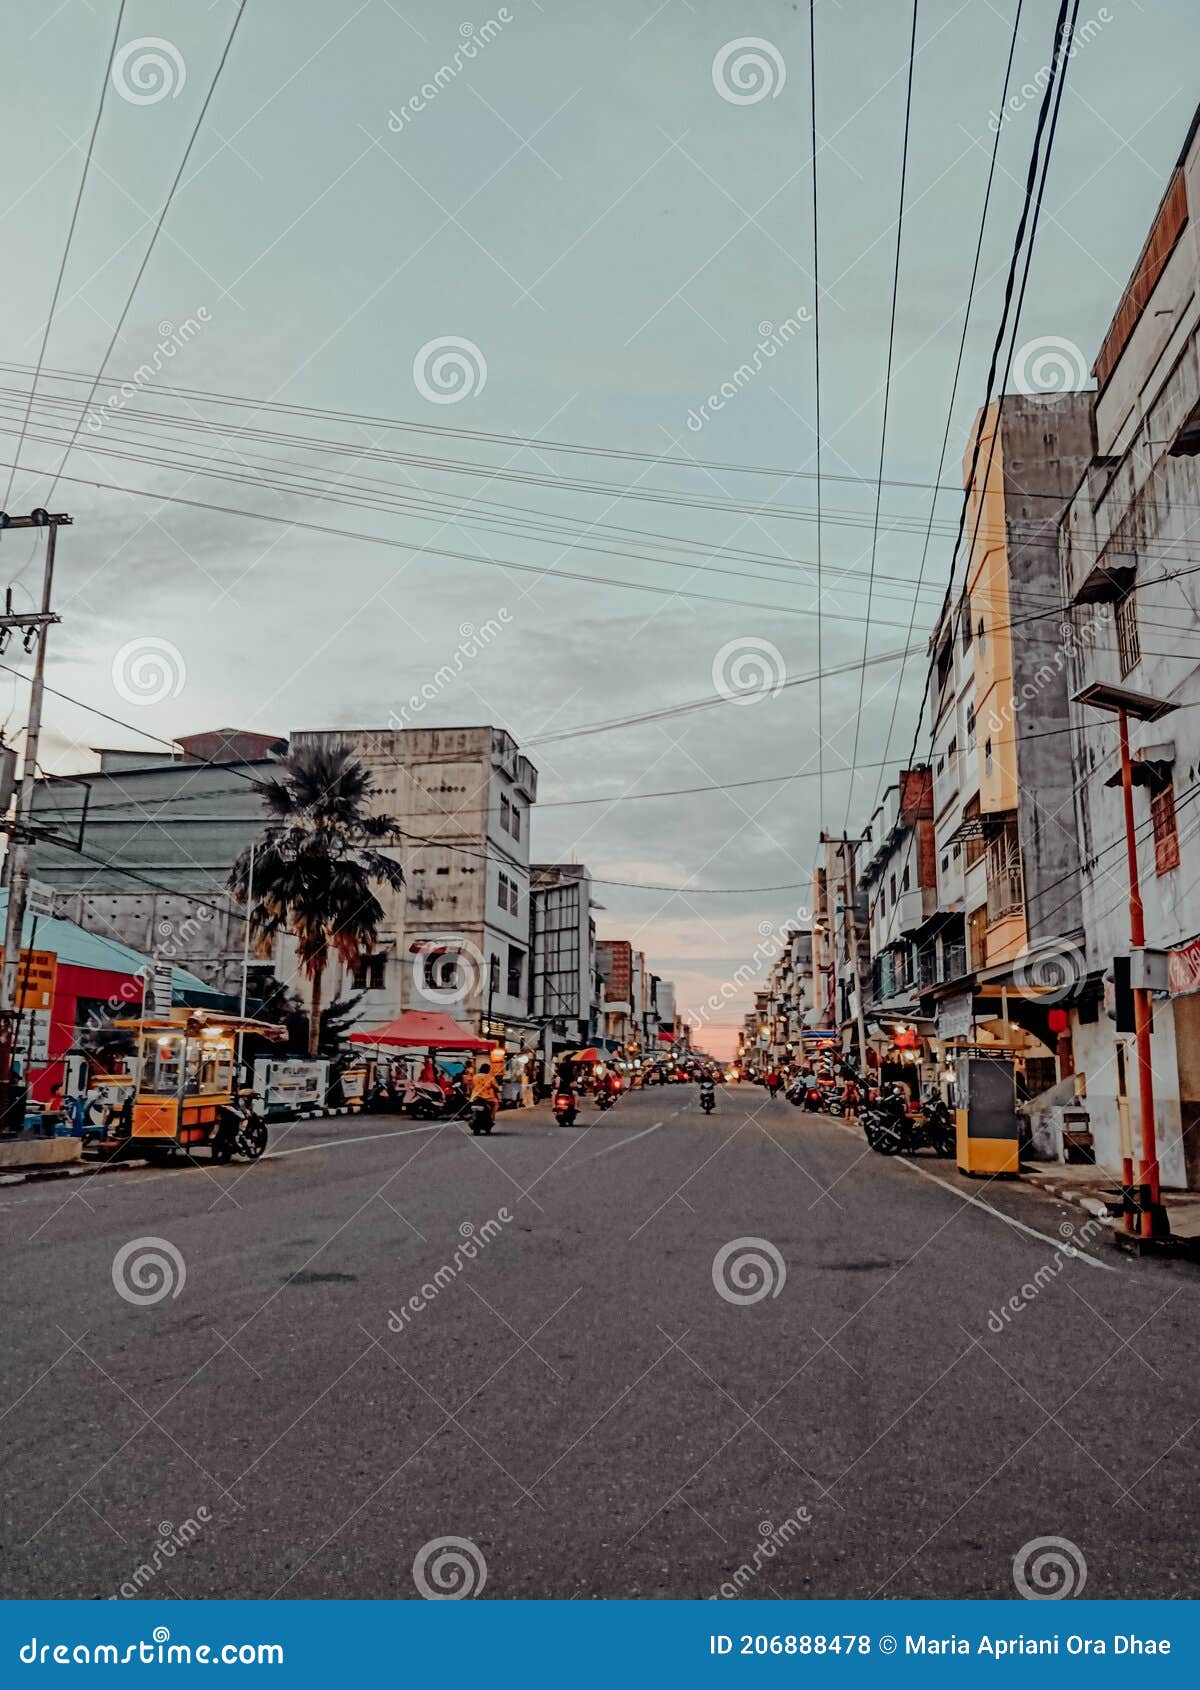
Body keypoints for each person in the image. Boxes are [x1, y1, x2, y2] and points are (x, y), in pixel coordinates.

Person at [468, 1061, 500, 1128]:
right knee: (495, 1104)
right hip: (488, 1098)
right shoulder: (490, 1077)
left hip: (476, 1097)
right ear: (488, 1070)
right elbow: (496, 1087)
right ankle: (492, 1118)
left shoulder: (475, 1076)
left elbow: (471, 1087)